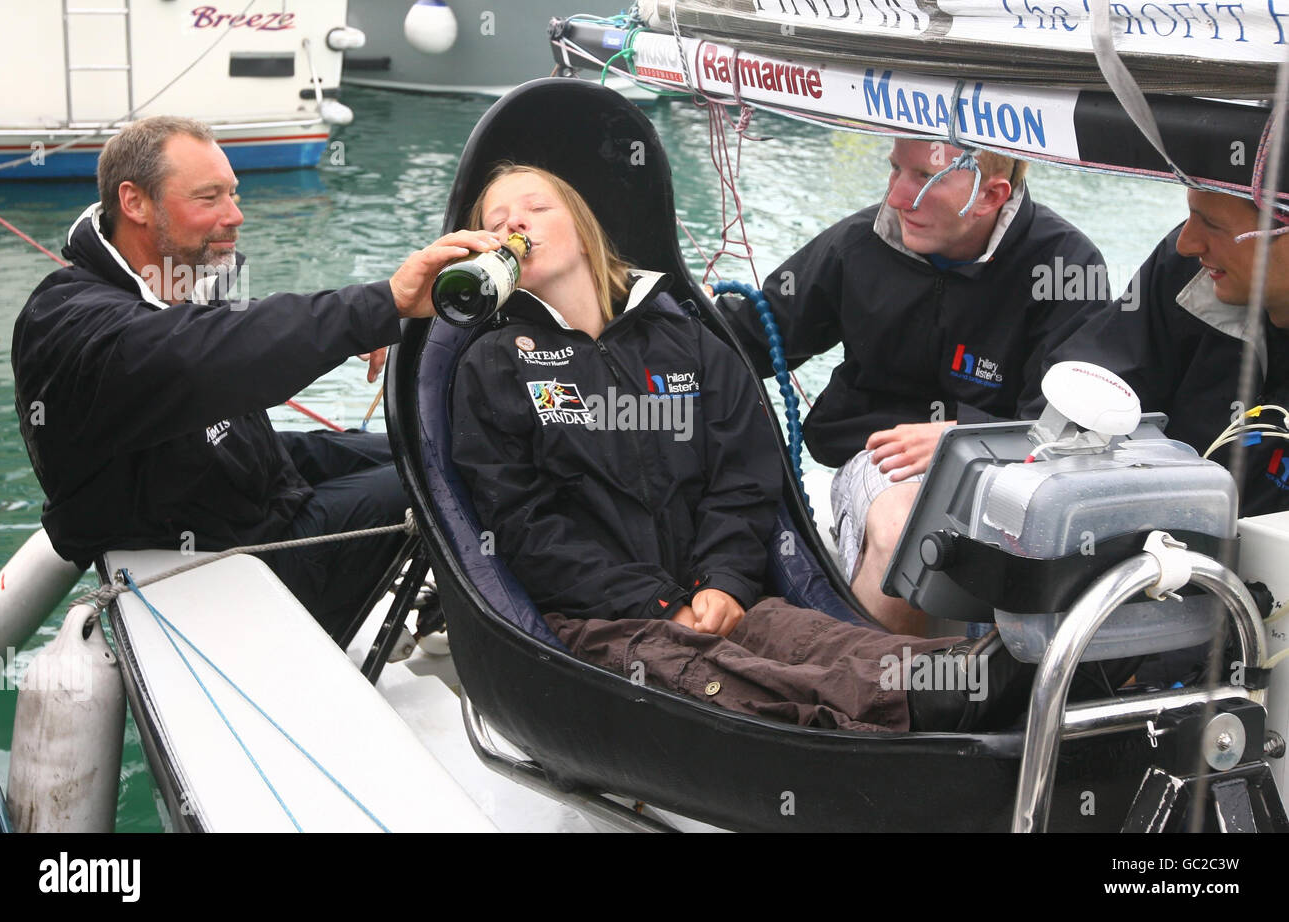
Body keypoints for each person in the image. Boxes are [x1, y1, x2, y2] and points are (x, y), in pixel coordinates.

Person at [450, 162, 1041, 733]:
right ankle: (915, 715)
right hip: (596, 625)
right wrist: (659, 604)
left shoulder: (686, 340)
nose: (514, 227)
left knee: (811, 641)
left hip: (722, 598)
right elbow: (522, 526)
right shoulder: (494, 364)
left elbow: (742, 477)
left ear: (583, 230)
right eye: (496, 223)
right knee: (715, 679)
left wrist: (725, 580)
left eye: (535, 208)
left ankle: (1014, 681)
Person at [12, 115, 503, 638]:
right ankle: (488, 633)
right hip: (224, 563)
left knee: (429, 443)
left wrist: (378, 319)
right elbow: (197, 356)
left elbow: (237, 337)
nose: (235, 215)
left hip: (238, 490)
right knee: (443, 469)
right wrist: (378, 306)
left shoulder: (184, 276)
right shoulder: (67, 321)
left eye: (233, 193)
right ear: (133, 202)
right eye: (209, 199)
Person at [726, 139, 1107, 635]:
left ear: (991, 196)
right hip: (882, 455)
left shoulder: (1067, 267)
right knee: (903, 530)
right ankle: (869, 696)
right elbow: (749, 337)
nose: (898, 197)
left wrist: (965, 437)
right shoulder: (860, 243)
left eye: (925, 180)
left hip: (1016, 472)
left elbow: (1072, 428)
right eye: (895, 170)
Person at [1047, 188, 1289, 515]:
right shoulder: (1188, 270)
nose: (1186, 243)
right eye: (1190, 215)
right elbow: (1084, 388)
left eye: (1213, 225)